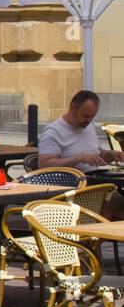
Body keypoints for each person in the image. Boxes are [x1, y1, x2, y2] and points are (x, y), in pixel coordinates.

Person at [39, 89, 124, 219]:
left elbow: (97, 155)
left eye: (92, 116)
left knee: (116, 202)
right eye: (85, 115)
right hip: (73, 190)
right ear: (73, 108)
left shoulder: (87, 127)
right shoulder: (54, 132)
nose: (89, 120)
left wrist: (110, 155)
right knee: (110, 206)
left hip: (97, 185)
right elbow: (44, 165)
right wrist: (78, 158)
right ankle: (96, 236)